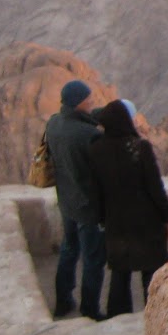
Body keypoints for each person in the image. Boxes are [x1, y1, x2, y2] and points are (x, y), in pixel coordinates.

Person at [89, 99, 168, 316]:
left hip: (116, 223)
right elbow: (155, 187)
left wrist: (101, 218)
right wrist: (167, 213)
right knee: (151, 272)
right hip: (147, 222)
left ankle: (118, 318)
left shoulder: (96, 150)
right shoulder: (140, 148)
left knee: (120, 273)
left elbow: (95, 190)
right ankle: (156, 316)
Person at [47, 79, 105, 320]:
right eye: (87, 99)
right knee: (93, 259)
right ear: (78, 102)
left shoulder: (54, 123)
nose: (91, 102)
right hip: (87, 206)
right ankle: (90, 308)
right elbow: (101, 171)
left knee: (69, 250)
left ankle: (63, 300)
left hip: (66, 200)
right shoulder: (88, 134)